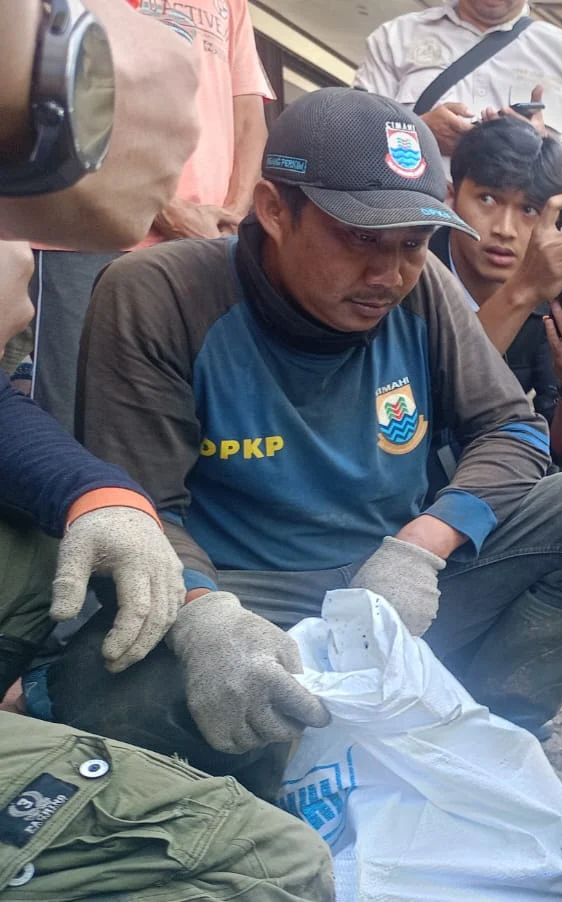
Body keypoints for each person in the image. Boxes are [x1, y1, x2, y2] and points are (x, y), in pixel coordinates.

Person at [32, 88, 562, 828]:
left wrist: (421, 548)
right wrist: (204, 620)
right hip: (245, 602)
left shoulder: (423, 288)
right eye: (361, 238)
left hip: (386, 591)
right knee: (124, 699)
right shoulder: (159, 293)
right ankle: (342, 786)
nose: (390, 274)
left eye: (413, 242)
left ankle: (485, 751)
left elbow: (513, 431)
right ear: (273, 209)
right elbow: (137, 511)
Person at [0, 4, 332, 896]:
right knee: (269, 865)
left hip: (175, 220)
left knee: (72, 534)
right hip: (121, 222)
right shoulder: (94, 251)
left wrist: (93, 493)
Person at [28, 0, 274, 431]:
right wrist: (165, 205)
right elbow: (66, 92)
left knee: (183, 413)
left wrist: (232, 216)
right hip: (87, 230)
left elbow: (250, 118)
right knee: (72, 418)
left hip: (203, 242)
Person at [427, 115, 562, 471]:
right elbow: (430, 399)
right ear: (451, 197)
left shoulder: (552, 293)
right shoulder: (414, 269)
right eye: (487, 199)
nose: (504, 229)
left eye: (529, 209)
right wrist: (523, 292)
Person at [354, 0, 562, 203]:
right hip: (406, 243)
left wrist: (543, 149)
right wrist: (418, 133)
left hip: (520, 260)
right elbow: (347, 144)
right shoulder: (395, 38)